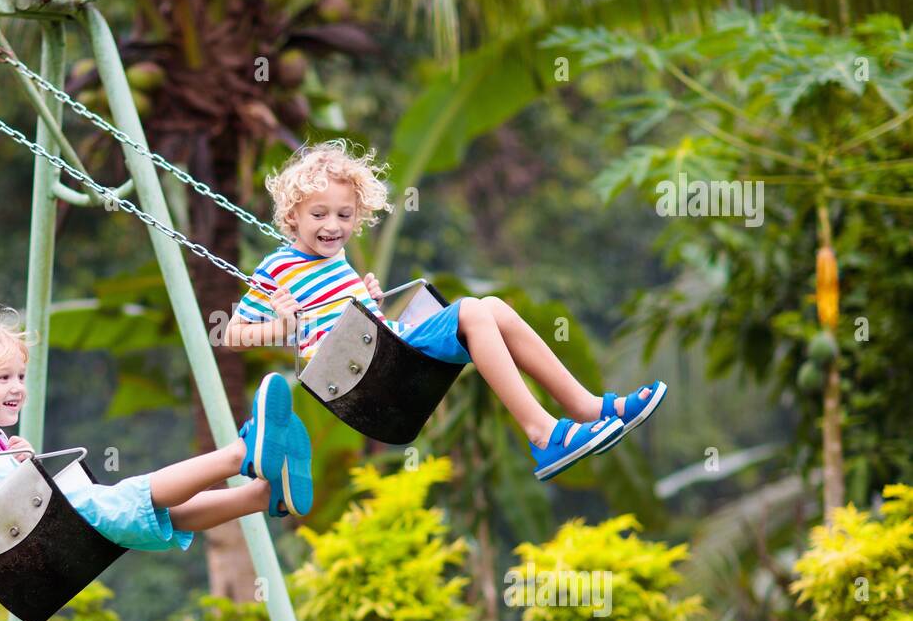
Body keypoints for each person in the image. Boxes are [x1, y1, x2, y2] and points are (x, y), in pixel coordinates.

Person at [223, 140, 667, 481]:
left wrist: (369, 305)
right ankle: (544, 434)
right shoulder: (276, 266)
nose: (333, 226)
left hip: (386, 351)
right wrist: (283, 326)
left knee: (492, 306)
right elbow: (232, 335)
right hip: (357, 373)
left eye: (344, 215)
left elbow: (337, 312)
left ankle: (589, 408)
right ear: (292, 216)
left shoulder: (337, 259)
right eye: (318, 214)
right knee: (473, 310)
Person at [0, 308, 313, 575]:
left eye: (21, 376)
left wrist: (23, 468)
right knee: (131, 494)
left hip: (32, 539)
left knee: (159, 512)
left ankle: (263, 496)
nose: (18, 387)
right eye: (3, 378)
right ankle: (242, 454)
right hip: (9, 553)